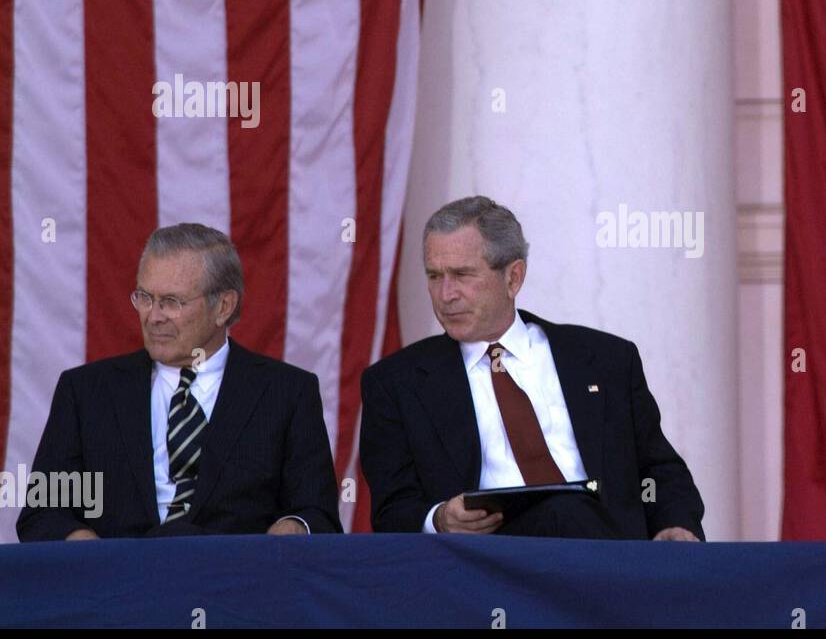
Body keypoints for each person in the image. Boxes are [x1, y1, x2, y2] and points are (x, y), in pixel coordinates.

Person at [360, 196, 705, 540]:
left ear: (513, 278)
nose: (445, 294)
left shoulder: (605, 360)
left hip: (606, 553)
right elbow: (392, 510)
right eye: (435, 276)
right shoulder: (395, 383)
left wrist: (674, 524)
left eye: (462, 275)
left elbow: (659, 471)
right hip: (488, 566)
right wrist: (440, 519)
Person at [17, 224, 340, 540]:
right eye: (145, 297)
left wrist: (293, 527)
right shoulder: (87, 392)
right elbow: (45, 511)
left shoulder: (286, 393)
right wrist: (86, 548)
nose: (154, 316)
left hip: (237, 585)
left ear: (223, 306)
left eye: (172, 302)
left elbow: (317, 514)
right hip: (121, 586)